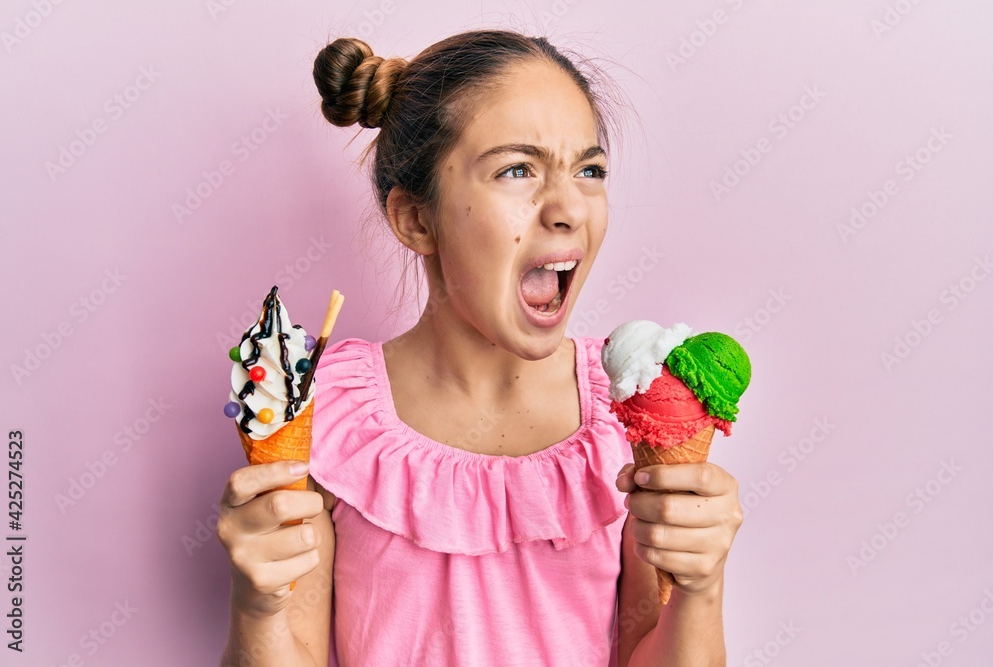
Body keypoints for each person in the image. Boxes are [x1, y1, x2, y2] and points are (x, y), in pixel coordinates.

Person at [217, 29, 743, 667]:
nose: (568, 208)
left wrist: (701, 587)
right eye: (517, 170)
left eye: (589, 170)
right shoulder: (327, 414)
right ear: (416, 219)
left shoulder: (629, 408)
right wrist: (258, 604)